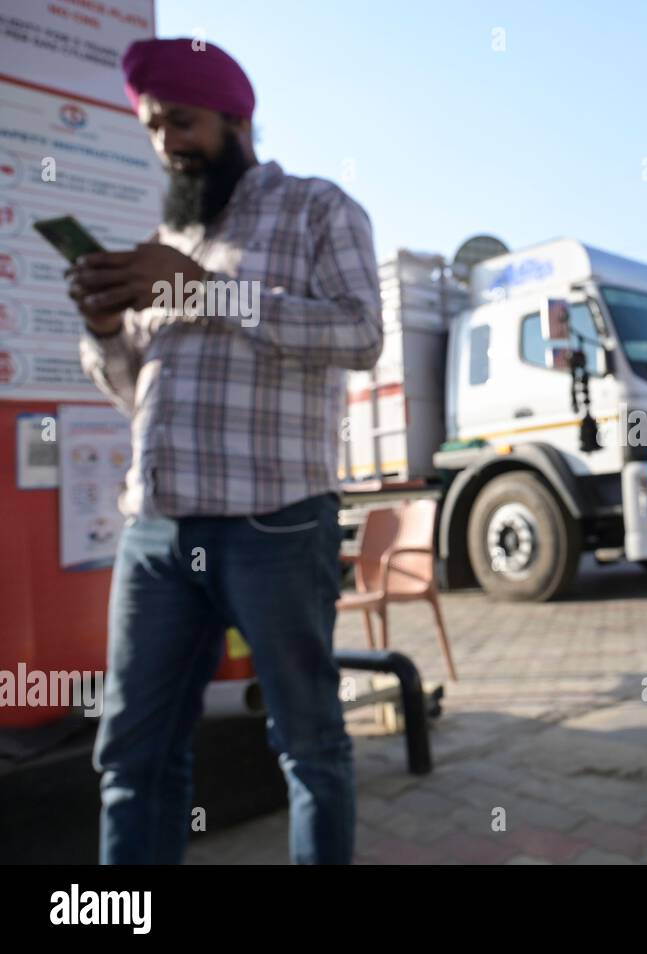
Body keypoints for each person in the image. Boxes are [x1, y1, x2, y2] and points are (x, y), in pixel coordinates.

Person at [67, 37, 382, 864]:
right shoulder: (167, 240)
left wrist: (206, 293)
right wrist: (104, 330)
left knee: (309, 745)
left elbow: (361, 334)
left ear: (237, 121)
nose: (167, 139)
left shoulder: (318, 208)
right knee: (131, 755)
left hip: (273, 523)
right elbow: (136, 390)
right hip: (159, 533)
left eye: (182, 119)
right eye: (152, 126)